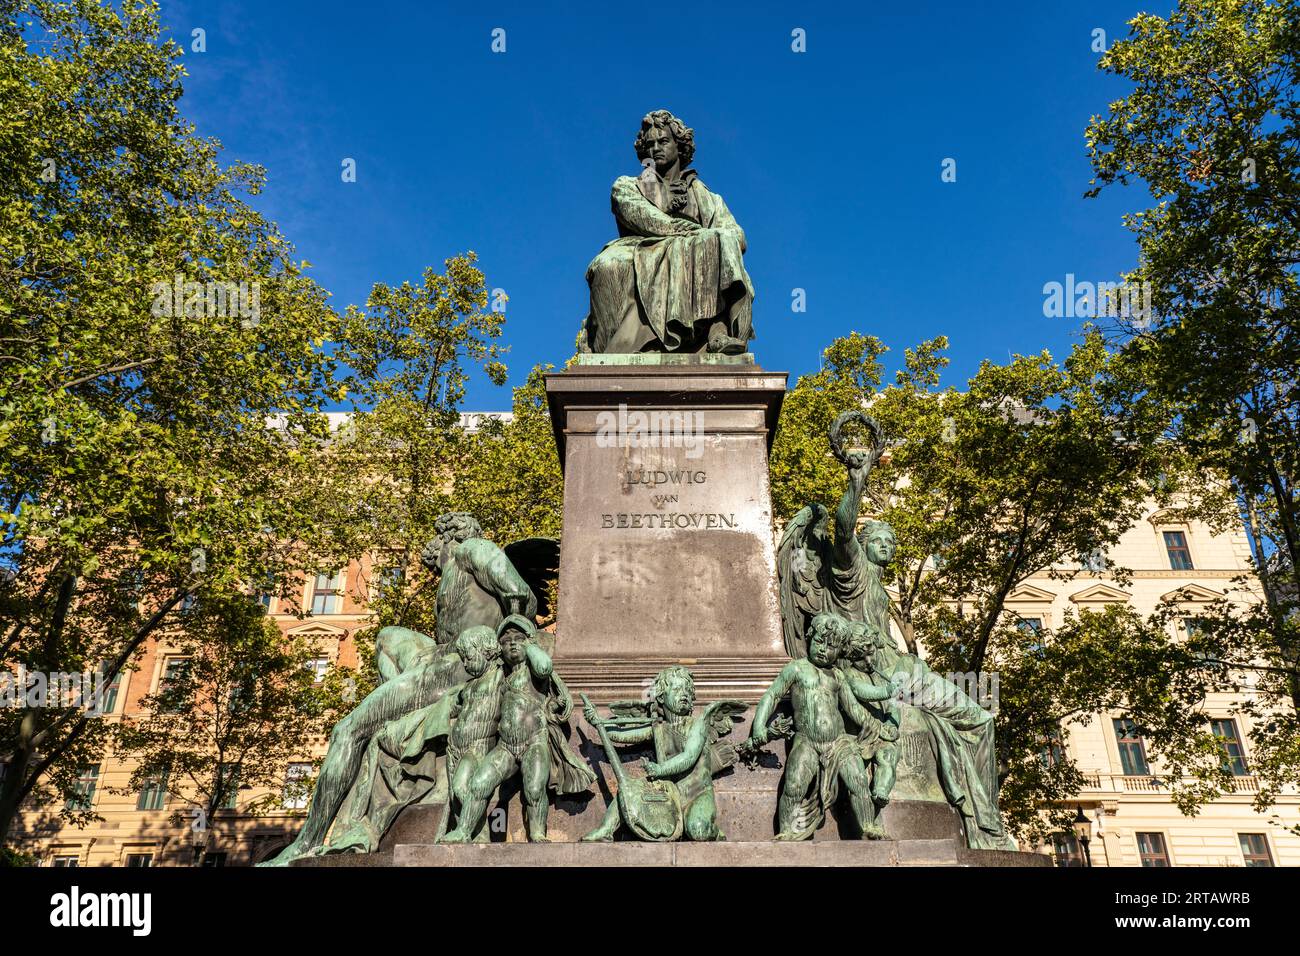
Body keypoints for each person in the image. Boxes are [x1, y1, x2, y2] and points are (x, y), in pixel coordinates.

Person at [582, 109, 754, 354]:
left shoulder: (708, 197)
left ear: (679, 146)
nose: (655, 148)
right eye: (649, 144)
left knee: (720, 240)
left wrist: (702, 238)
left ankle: (717, 331)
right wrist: (679, 231)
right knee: (609, 264)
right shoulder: (628, 185)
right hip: (643, 248)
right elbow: (639, 214)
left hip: (695, 249)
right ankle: (623, 348)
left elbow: (737, 236)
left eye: (663, 141)